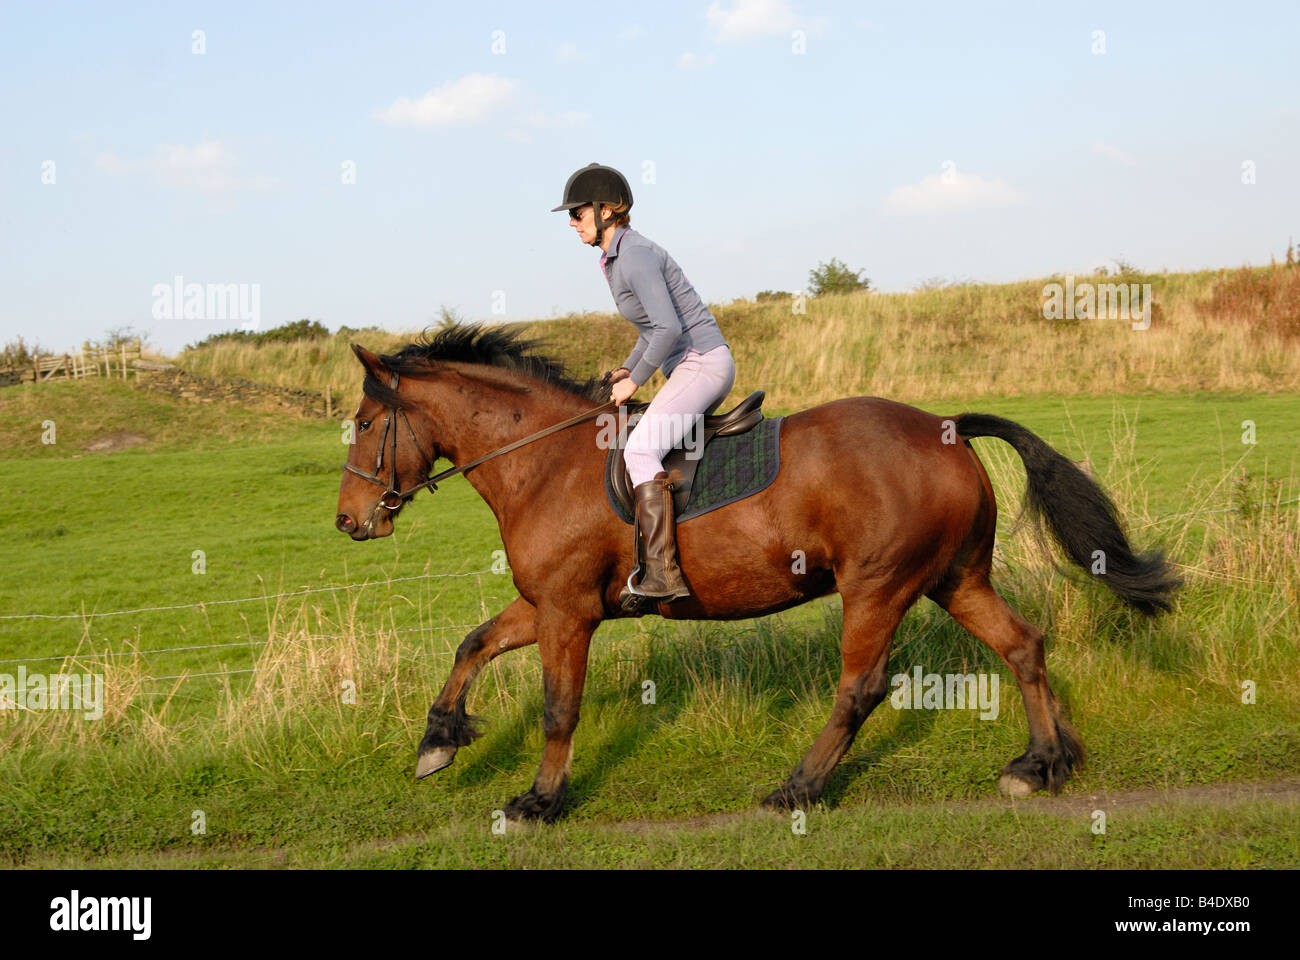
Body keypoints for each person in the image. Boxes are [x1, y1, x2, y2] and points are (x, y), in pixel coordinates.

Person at [551, 163, 736, 607]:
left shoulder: (632, 255)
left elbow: (669, 328)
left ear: (606, 211)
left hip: (702, 363)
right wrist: (625, 368)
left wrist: (635, 380)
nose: (572, 222)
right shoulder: (616, 256)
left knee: (637, 448)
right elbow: (651, 331)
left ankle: (661, 572)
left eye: (577, 213)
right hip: (691, 363)